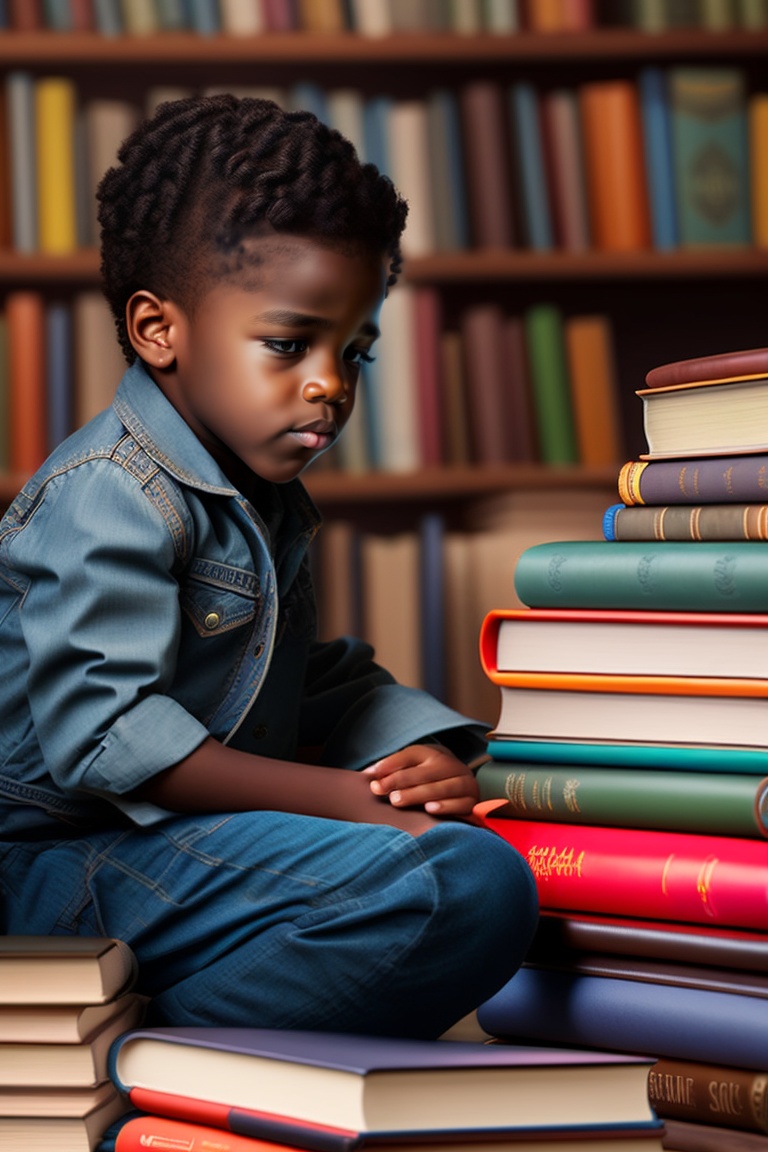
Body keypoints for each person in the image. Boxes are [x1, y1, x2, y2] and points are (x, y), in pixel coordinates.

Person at [0, 94, 537, 1038]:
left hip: (159, 855)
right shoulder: (107, 490)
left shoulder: (260, 494)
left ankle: (160, 1044)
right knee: (459, 882)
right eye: (289, 344)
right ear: (158, 330)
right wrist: (346, 803)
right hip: (45, 865)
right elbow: (107, 732)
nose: (330, 382)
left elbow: (300, 679)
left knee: (482, 854)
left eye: (354, 351)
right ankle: (139, 1058)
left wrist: (430, 760)